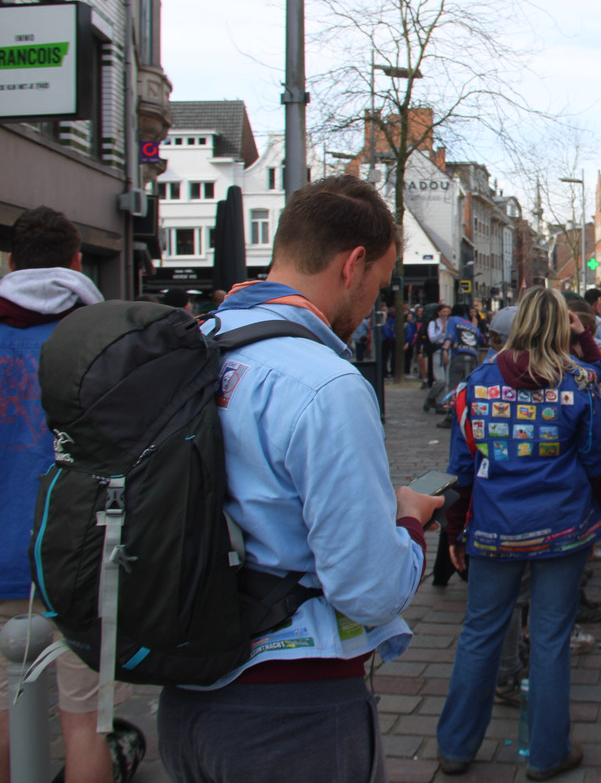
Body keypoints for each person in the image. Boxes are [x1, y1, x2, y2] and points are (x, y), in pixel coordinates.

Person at [156, 176, 442, 782]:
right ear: (353, 265)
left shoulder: (192, 346)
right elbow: (368, 588)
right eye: (379, 284)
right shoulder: (325, 383)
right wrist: (409, 521)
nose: (373, 305)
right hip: (292, 708)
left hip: (184, 695)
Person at [437, 286, 601, 780]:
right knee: (551, 637)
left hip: (494, 527)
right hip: (563, 526)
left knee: (480, 631)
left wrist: (455, 531)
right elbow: (597, 461)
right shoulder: (580, 384)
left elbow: (461, 468)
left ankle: (456, 747)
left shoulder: (475, 384)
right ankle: (546, 753)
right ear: (561, 326)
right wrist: (592, 517)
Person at [0, 207, 141, 783]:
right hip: (82, 558)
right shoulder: (108, 336)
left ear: (12, 263)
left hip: (1, 554)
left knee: (4, 714)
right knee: (86, 725)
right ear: (78, 263)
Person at [444, 303, 483, 389]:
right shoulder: (472, 325)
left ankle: (454, 397)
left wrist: (445, 350)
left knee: (454, 385)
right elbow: (481, 339)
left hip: (459, 355)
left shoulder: (452, 320)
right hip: (473, 357)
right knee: (469, 386)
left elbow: (450, 336)